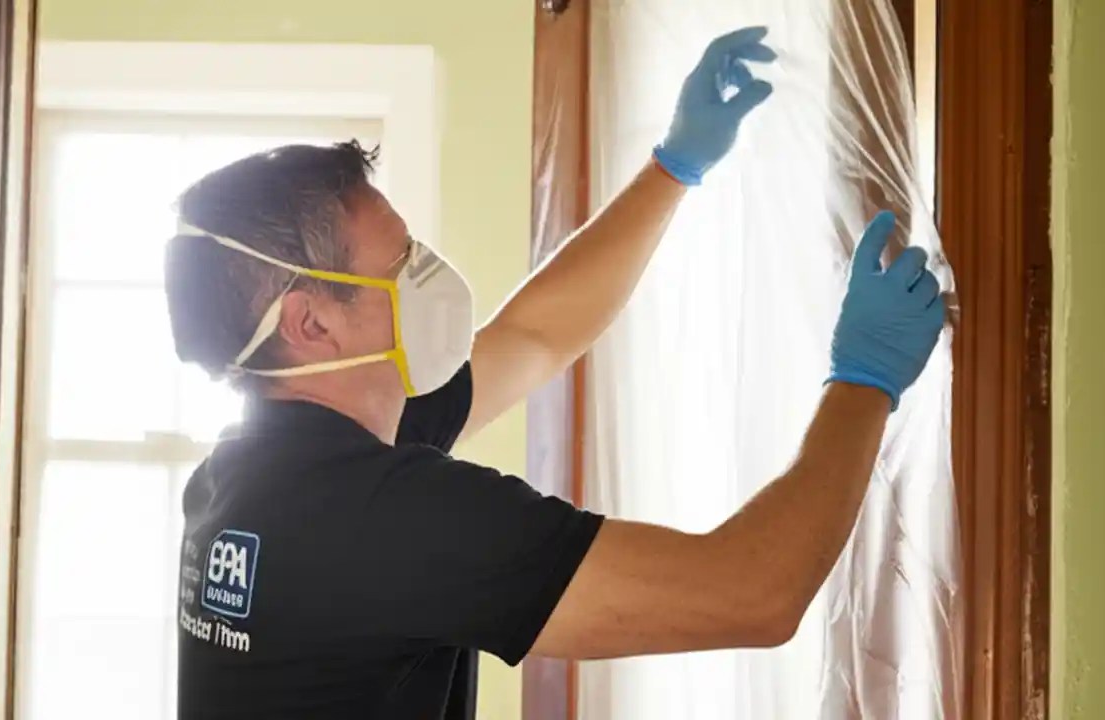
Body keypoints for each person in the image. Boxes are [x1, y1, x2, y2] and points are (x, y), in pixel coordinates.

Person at [164, 26, 945, 720]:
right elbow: (752, 590)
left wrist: (674, 166)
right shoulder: (385, 519)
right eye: (399, 261)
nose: (424, 273)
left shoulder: (246, 473)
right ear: (310, 323)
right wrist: (864, 380)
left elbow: (534, 336)